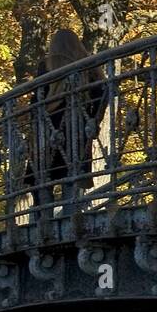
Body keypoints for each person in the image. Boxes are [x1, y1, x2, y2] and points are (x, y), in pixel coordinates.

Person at [24, 28, 109, 217]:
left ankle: (42, 225)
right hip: (76, 132)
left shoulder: (46, 67)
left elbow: (37, 100)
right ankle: (72, 219)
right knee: (72, 180)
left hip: (47, 132)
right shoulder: (90, 67)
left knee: (42, 183)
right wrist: (94, 121)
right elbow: (103, 94)